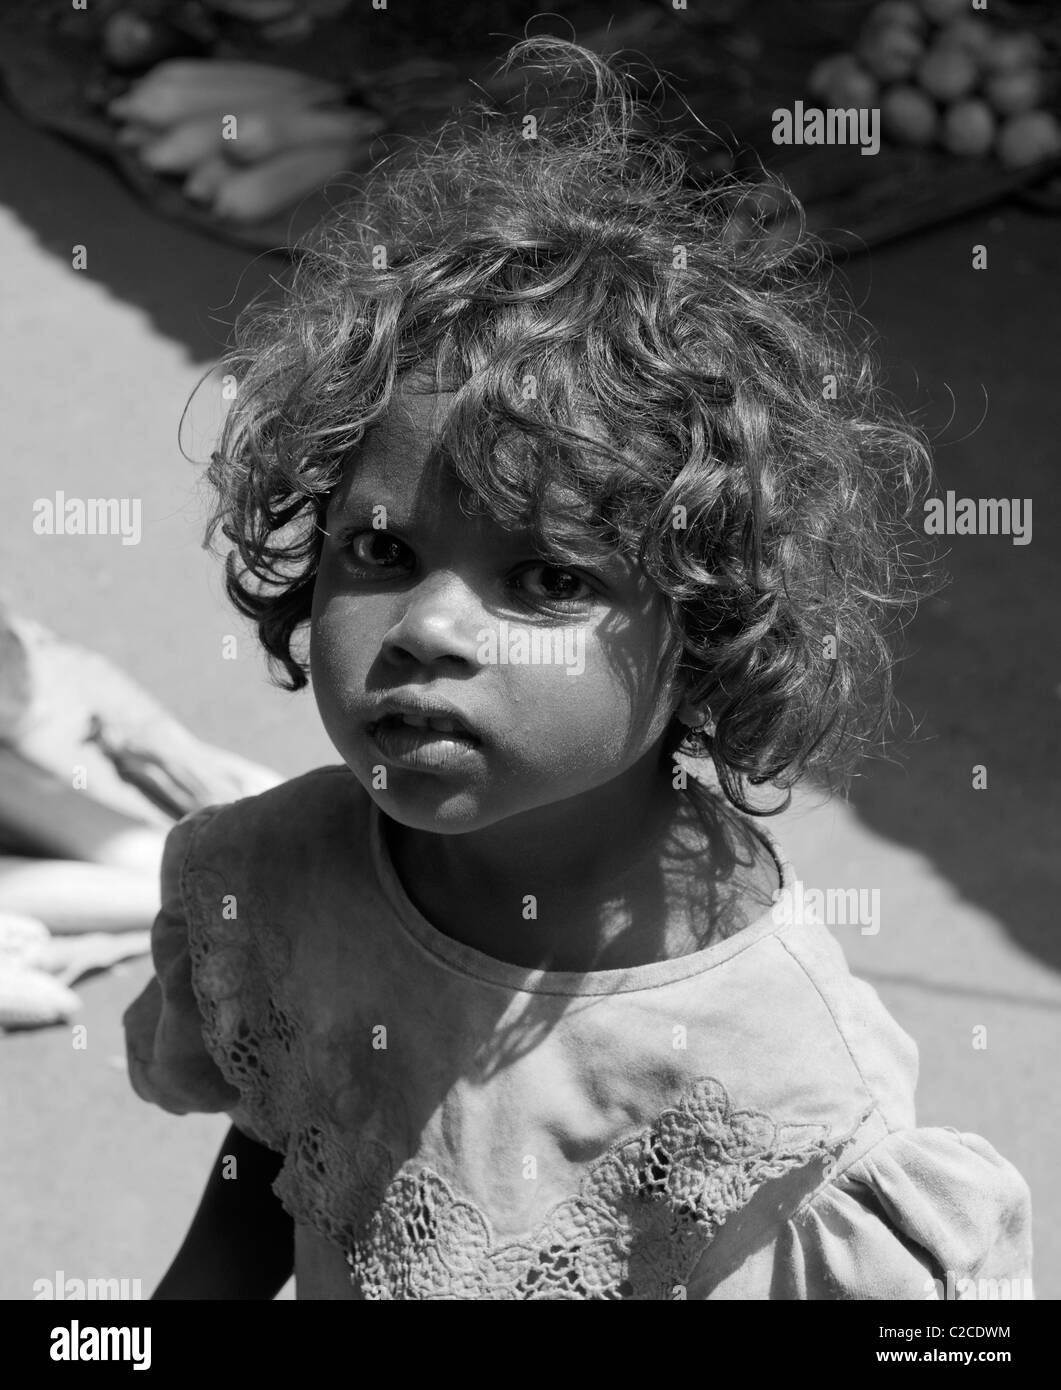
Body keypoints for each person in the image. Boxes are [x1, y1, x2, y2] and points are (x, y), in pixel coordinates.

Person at [123, 36, 1032, 1300]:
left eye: (548, 576)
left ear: (706, 629)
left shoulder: (776, 1084)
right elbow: (287, 1146)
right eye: (380, 548)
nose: (429, 627)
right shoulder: (272, 876)